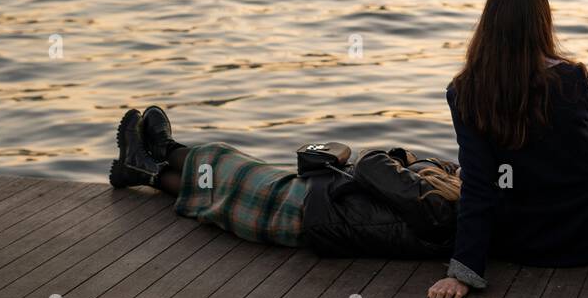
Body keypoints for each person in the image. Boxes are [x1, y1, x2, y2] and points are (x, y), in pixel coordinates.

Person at [427, 0, 588, 298]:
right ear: (542, 25)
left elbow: (479, 185)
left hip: (517, 241)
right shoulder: (573, 79)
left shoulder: (465, 91)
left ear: (487, 28)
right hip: (587, 238)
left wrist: (463, 271)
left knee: (460, 176)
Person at [108, 106, 460, 258]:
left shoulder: (440, 211)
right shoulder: (446, 199)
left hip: (309, 214)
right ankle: (147, 165)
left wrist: (402, 159)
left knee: (223, 165)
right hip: (322, 204)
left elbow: (371, 165)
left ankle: (162, 152)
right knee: (220, 190)